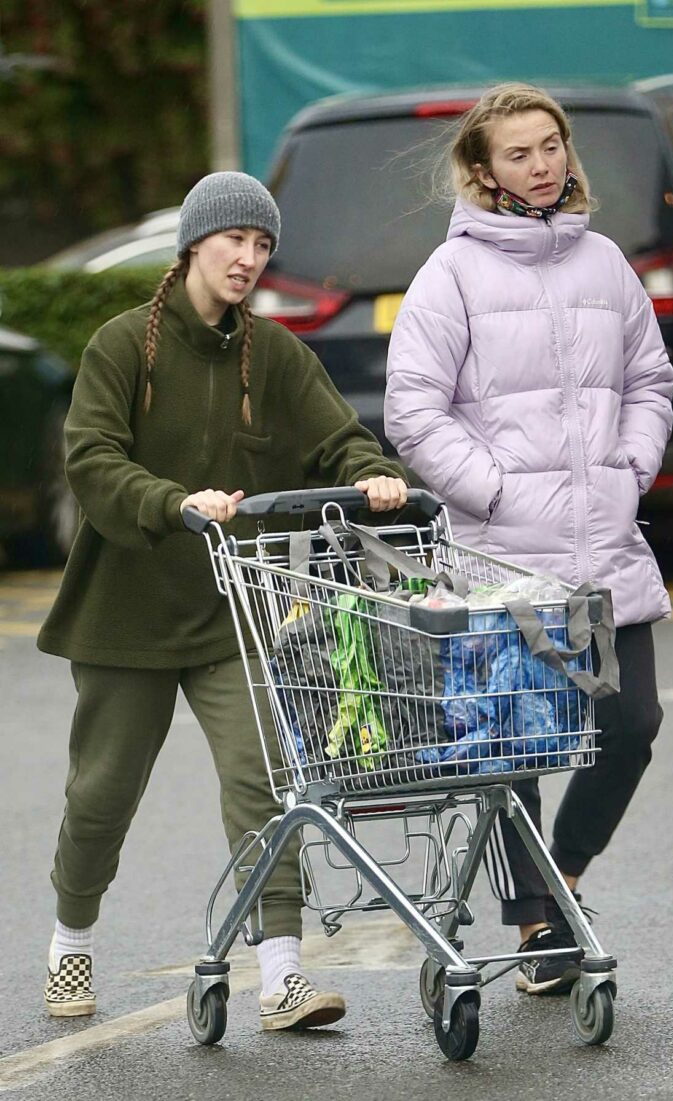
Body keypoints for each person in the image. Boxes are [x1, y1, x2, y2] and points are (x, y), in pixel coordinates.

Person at [39, 171, 408, 1025]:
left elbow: (339, 438)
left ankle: (281, 969)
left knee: (264, 783)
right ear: (195, 245)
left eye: (263, 244)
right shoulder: (123, 345)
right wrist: (169, 501)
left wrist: (375, 476)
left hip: (231, 617)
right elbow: (92, 459)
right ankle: (70, 941)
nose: (248, 259)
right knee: (101, 795)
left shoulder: (274, 354)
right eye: (234, 240)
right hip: (123, 613)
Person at [384, 83, 673, 995]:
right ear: (482, 170)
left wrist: (631, 467)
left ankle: (566, 878)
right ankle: (540, 923)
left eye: (550, 145)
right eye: (519, 152)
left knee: (631, 726)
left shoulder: (606, 264)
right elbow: (413, 411)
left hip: (605, 549)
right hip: (502, 557)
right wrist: (496, 492)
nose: (542, 164)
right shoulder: (452, 275)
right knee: (513, 751)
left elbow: (650, 379)